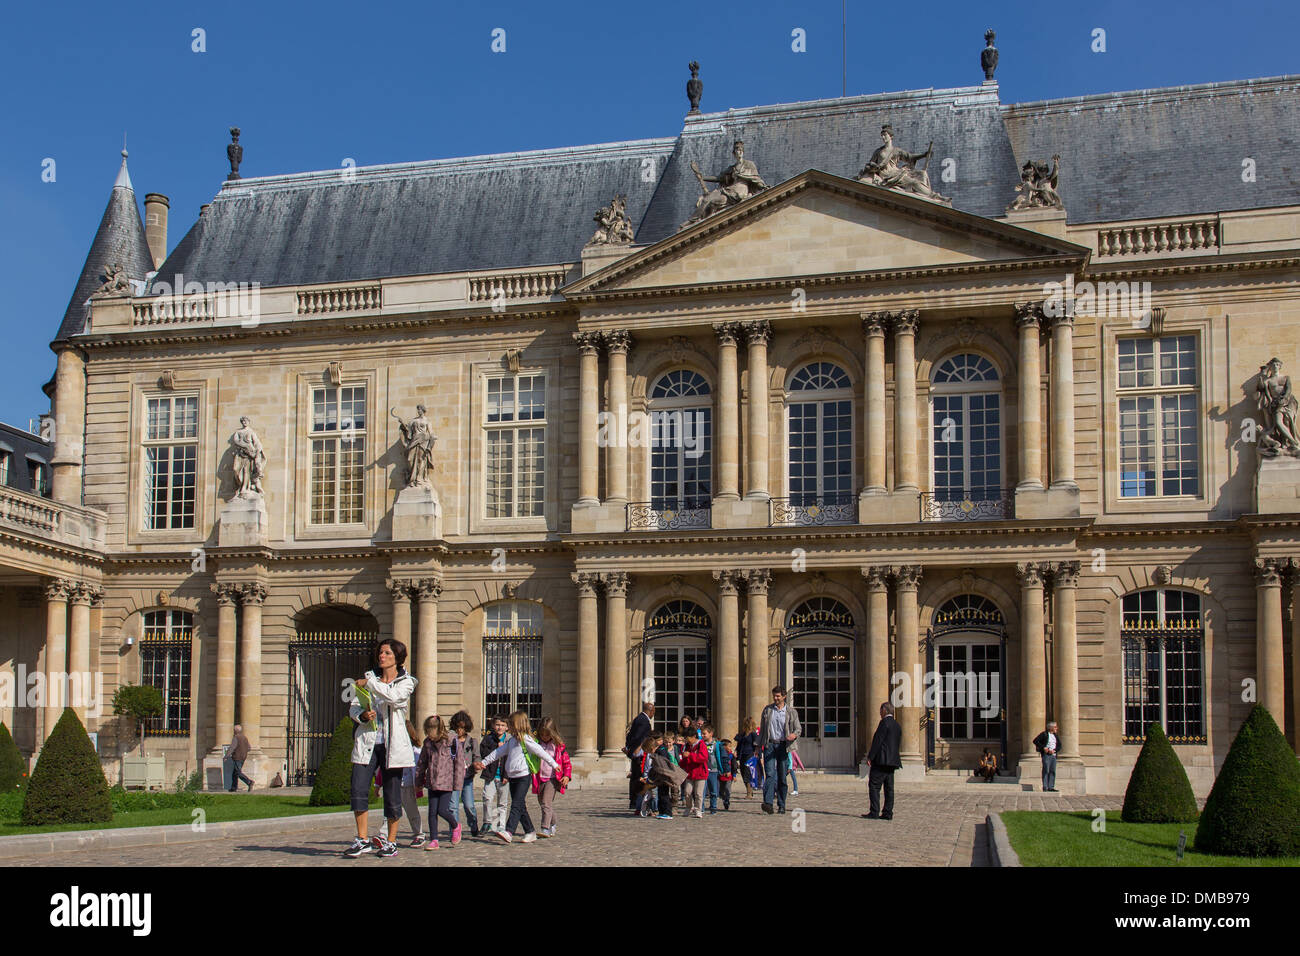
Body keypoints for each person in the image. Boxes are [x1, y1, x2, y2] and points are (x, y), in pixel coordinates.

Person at [343, 638, 418, 858]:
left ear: (397, 657)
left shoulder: (407, 681)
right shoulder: (369, 679)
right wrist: (362, 716)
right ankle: (362, 839)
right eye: (381, 653)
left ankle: (391, 842)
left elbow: (394, 697)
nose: (381, 656)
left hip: (392, 746)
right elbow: (354, 708)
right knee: (358, 790)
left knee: (392, 795)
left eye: (386, 653)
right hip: (367, 742)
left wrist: (370, 683)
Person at [473, 710, 558, 843]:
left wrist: (554, 764)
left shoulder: (526, 739)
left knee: (516, 805)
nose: (509, 727)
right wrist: (484, 762)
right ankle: (530, 831)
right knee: (520, 806)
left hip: (524, 777)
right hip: (513, 777)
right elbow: (498, 753)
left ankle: (509, 831)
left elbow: (540, 751)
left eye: (510, 724)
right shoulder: (512, 741)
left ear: (517, 725)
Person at [414, 714, 471, 849]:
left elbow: (458, 764)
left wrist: (458, 784)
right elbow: (422, 763)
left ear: (439, 730)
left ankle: (455, 825)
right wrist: (418, 782)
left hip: (447, 782)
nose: (429, 735)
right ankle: (434, 840)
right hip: (432, 782)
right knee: (432, 812)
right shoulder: (428, 743)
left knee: (442, 810)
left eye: (431, 732)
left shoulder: (451, 741)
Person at [758, 686, 801, 815]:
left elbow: (798, 728)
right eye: (774, 696)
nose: (775, 698)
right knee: (770, 774)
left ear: (784, 696)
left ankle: (781, 804)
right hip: (770, 744)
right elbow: (762, 731)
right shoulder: (767, 710)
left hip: (783, 745)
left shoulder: (791, 712)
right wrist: (757, 747)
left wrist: (793, 735)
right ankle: (768, 803)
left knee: (782, 776)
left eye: (778, 696)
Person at [532, 716, 572, 838]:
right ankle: (553, 823)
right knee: (544, 804)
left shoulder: (558, 746)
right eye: (542, 734)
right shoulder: (536, 744)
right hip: (540, 778)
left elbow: (566, 763)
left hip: (553, 778)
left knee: (545, 803)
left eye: (547, 735)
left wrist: (566, 776)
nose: (544, 737)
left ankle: (545, 828)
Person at [863, 702, 902, 820]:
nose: (880, 713)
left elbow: (877, 741)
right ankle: (888, 812)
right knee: (889, 788)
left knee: (874, 786)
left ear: (884, 710)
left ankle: (874, 812)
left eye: (880, 711)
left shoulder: (884, 723)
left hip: (881, 761)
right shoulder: (897, 725)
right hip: (892, 761)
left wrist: (870, 757)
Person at [448, 711, 479, 837]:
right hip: (453, 778)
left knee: (469, 805)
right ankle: (454, 830)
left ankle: (473, 824)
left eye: (462, 728)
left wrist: (477, 764)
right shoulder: (450, 741)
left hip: (467, 778)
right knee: (453, 807)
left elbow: (477, 756)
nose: (459, 730)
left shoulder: (472, 741)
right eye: (457, 728)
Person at [479, 714, 509, 835]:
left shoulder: (510, 739)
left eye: (502, 725)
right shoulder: (488, 739)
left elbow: (512, 759)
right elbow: (483, 753)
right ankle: (487, 822)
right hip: (490, 774)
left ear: (507, 727)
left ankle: (501, 825)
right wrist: (496, 748)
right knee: (487, 798)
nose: (499, 728)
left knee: (502, 802)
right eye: (497, 725)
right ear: (492, 726)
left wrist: (507, 775)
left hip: (503, 775)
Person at [399, 719, 426, 846]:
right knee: (389, 810)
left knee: (411, 810)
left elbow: (416, 768)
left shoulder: (414, 750)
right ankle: (383, 835)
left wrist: (417, 786)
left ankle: (419, 834)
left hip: (407, 784)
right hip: (394, 784)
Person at [624, 701, 655, 811]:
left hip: (636, 753)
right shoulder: (644, 721)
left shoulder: (639, 718)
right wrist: (636, 750)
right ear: (650, 710)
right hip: (639, 754)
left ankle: (635, 801)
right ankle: (636, 801)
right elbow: (638, 737)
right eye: (653, 711)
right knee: (638, 778)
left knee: (635, 777)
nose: (654, 714)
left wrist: (628, 748)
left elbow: (629, 735)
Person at [678, 728, 709, 818]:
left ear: (694, 737)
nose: (687, 740)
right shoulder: (687, 746)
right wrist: (680, 764)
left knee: (698, 793)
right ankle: (688, 807)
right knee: (687, 791)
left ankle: (698, 809)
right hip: (690, 773)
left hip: (700, 773)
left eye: (688, 738)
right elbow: (685, 758)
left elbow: (703, 758)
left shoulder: (701, 745)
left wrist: (690, 755)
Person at [635, 731, 661, 816]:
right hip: (647, 776)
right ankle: (643, 809)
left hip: (654, 777)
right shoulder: (648, 754)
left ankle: (655, 809)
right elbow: (645, 766)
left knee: (653, 794)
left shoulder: (657, 754)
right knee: (645, 794)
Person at [734, 717, 759, 798]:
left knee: (747, 773)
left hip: (750, 755)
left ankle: (749, 792)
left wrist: (758, 755)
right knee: (742, 772)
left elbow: (757, 745)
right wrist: (736, 751)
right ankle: (749, 790)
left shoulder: (753, 734)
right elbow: (739, 744)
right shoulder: (743, 734)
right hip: (742, 755)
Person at [1033, 722, 1061, 792]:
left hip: (1053, 755)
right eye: (1055, 727)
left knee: (1052, 771)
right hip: (1046, 755)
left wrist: (1054, 750)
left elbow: (1059, 745)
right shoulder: (1044, 734)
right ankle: (1045, 786)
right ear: (1051, 728)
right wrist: (1044, 748)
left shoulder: (1055, 735)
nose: (1056, 728)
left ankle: (1051, 787)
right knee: (1046, 770)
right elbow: (1035, 741)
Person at [702, 723, 722, 814]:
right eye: (702, 733)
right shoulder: (701, 744)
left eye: (704, 733)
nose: (702, 735)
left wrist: (721, 768)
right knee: (702, 791)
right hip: (703, 769)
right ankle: (701, 808)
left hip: (713, 769)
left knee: (713, 790)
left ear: (711, 734)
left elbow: (719, 756)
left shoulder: (716, 744)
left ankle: (713, 807)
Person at [227, 724, 252, 792]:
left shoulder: (236, 738)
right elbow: (249, 748)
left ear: (235, 731)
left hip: (237, 757)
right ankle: (233, 788)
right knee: (234, 773)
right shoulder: (244, 737)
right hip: (243, 757)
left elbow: (232, 747)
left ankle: (249, 782)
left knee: (238, 772)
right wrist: (243, 751)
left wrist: (226, 756)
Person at [718, 739, 737, 811]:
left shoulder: (731, 756)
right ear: (724, 747)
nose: (730, 748)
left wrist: (734, 775)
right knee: (721, 790)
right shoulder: (719, 755)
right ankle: (724, 798)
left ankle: (727, 800)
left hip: (729, 776)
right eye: (729, 746)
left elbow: (734, 765)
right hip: (721, 775)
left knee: (727, 789)